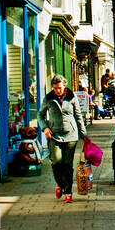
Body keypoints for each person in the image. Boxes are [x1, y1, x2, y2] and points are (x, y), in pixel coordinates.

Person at [41, 74, 86, 202]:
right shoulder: (49, 98)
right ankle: (60, 184)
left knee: (67, 164)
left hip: (71, 135)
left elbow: (78, 116)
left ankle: (68, 192)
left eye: (59, 88)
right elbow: (40, 115)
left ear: (64, 86)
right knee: (56, 162)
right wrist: (45, 128)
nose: (57, 90)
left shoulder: (72, 97)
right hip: (54, 135)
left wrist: (84, 135)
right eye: (55, 88)